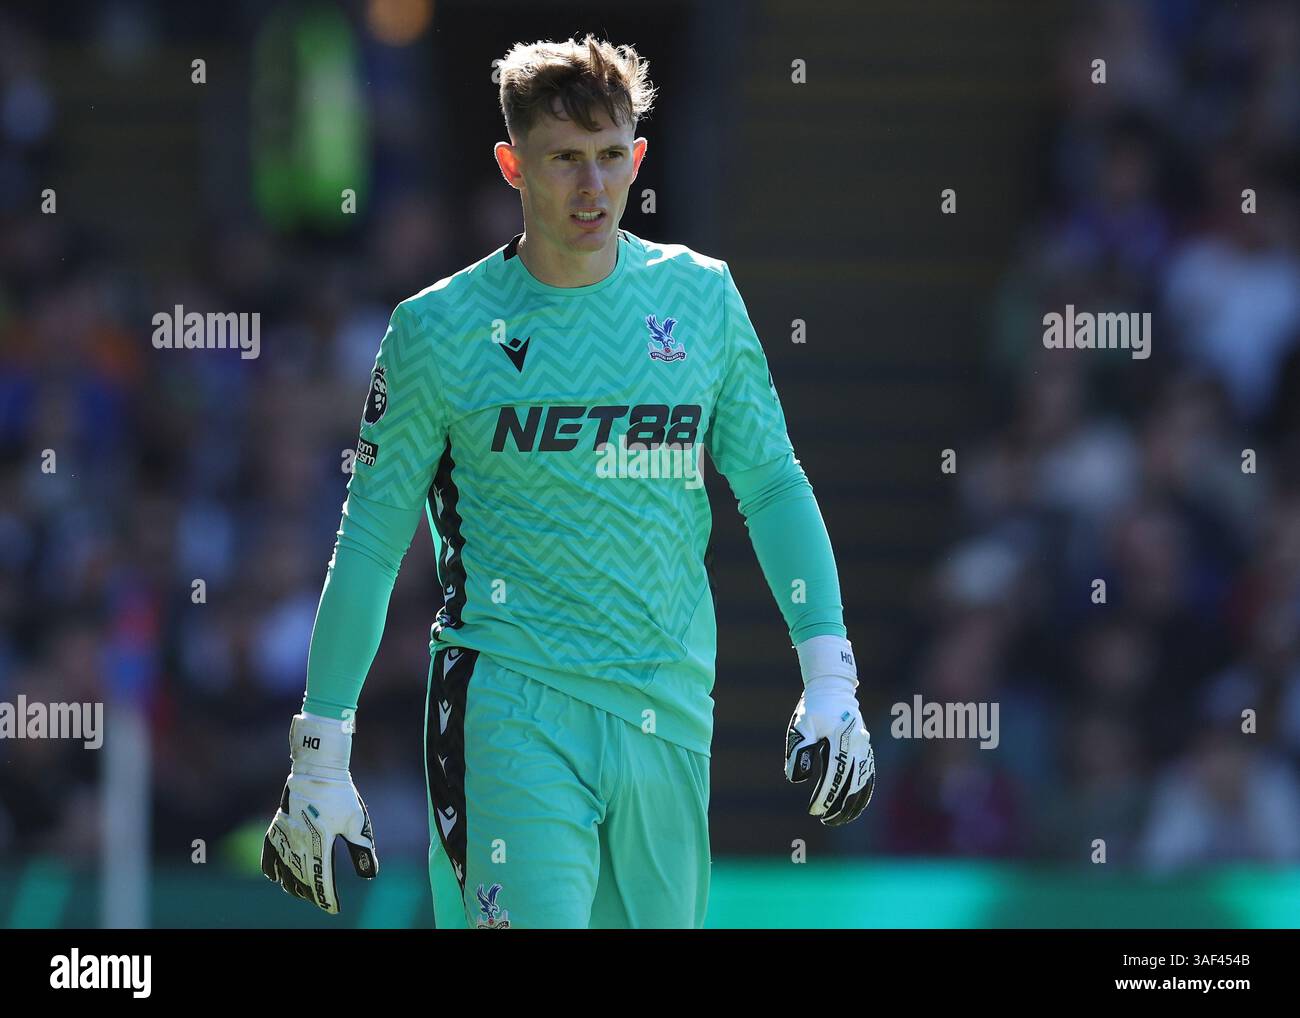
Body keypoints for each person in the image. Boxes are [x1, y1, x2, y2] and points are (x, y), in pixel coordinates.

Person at [261, 34, 874, 930]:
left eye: (609, 158)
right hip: (510, 707)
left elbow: (774, 486)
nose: (592, 188)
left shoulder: (702, 299)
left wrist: (830, 676)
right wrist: (320, 744)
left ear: (639, 157)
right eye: (563, 161)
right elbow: (369, 541)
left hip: (669, 715)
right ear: (512, 164)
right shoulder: (437, 332)